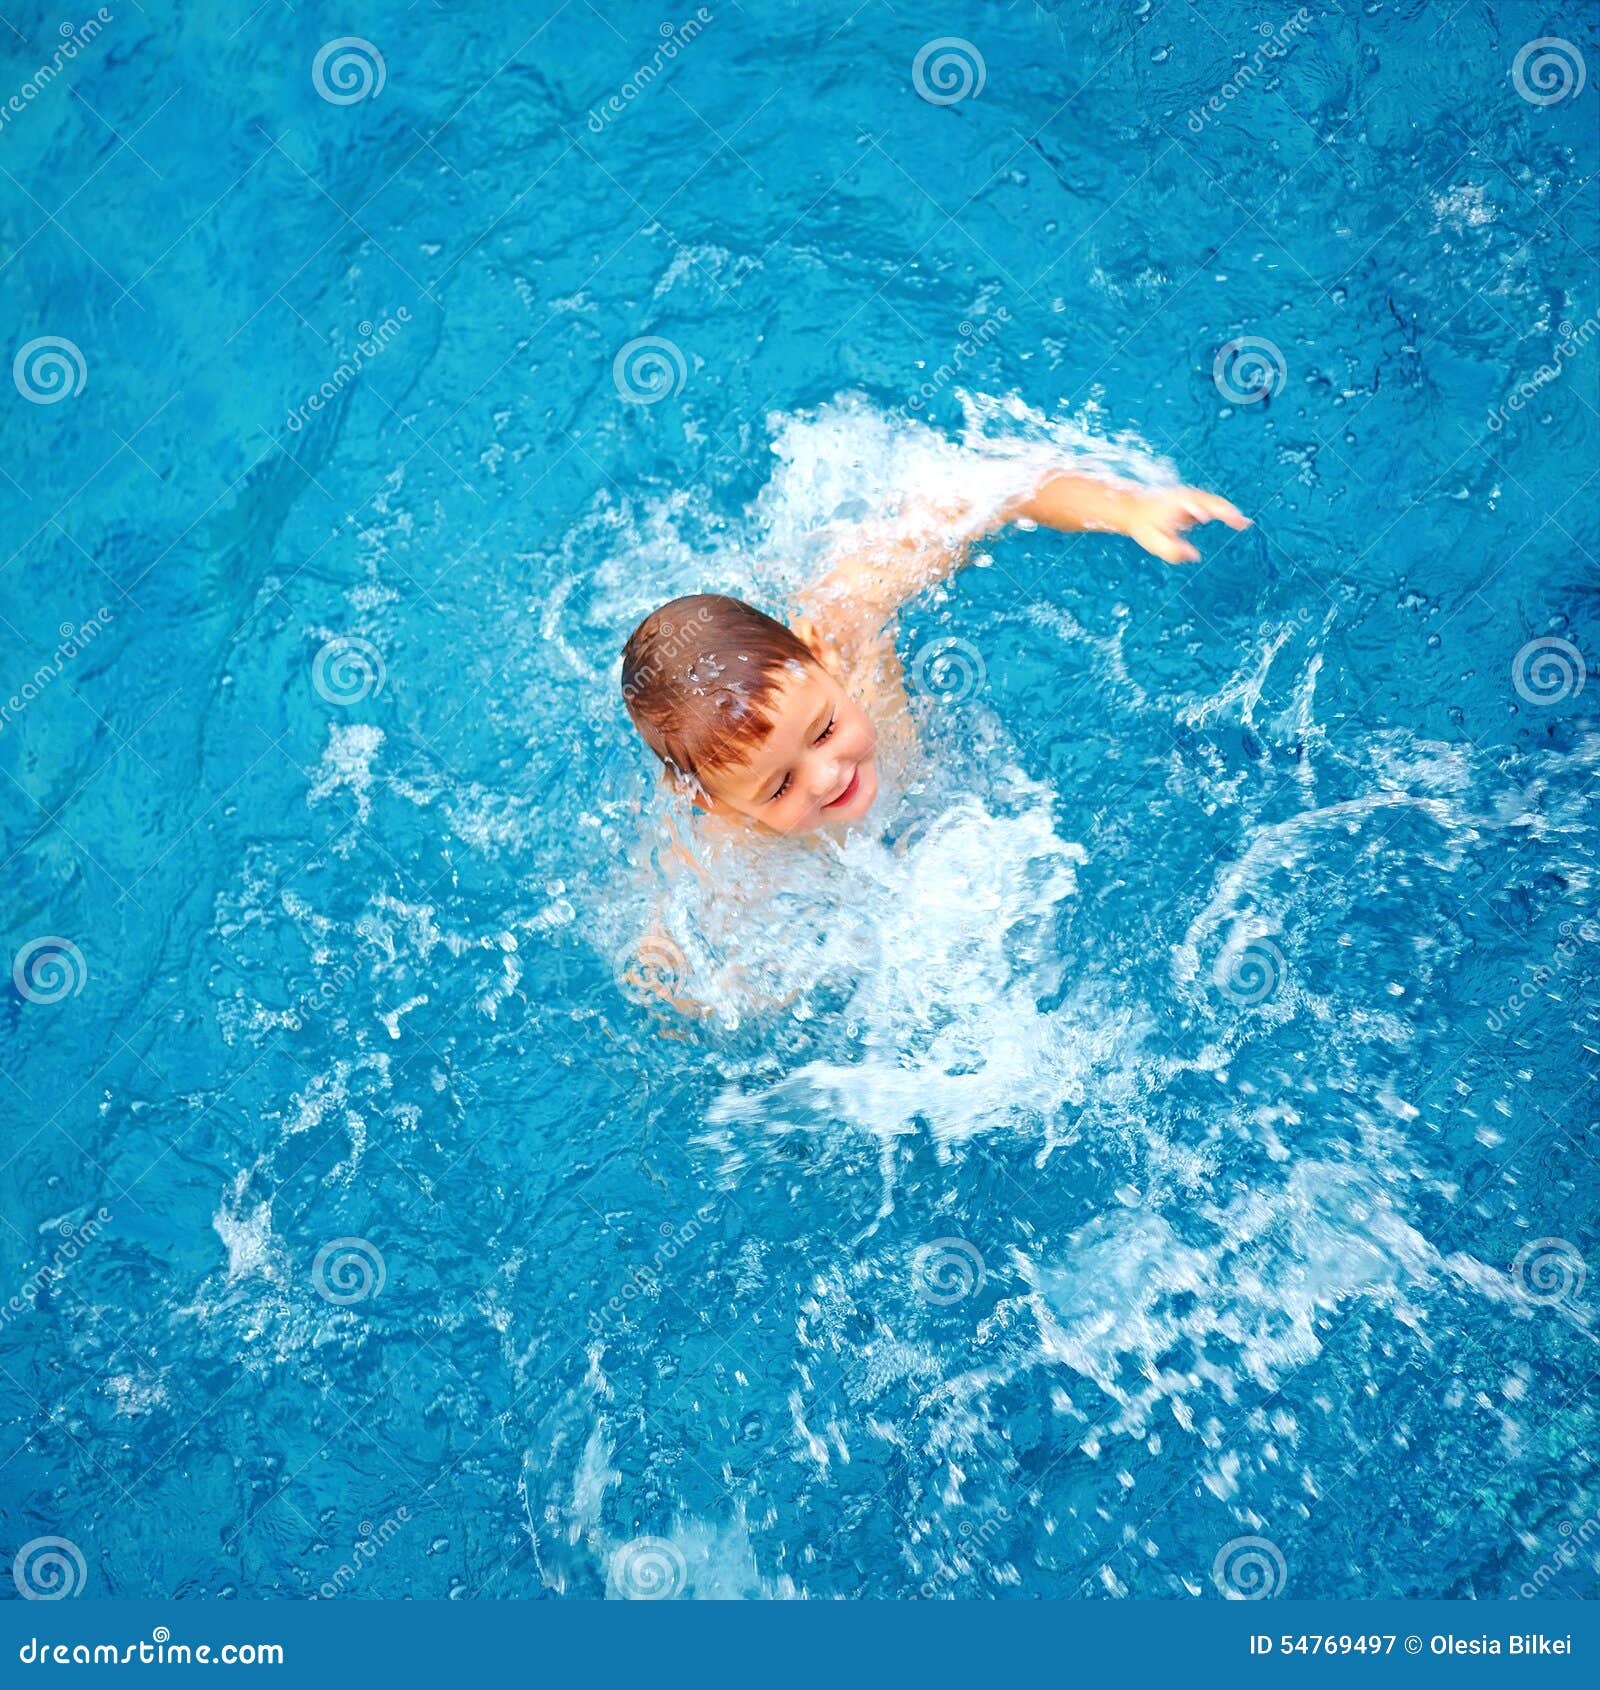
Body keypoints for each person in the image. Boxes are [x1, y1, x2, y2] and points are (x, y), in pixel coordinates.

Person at [619, 471, 1249, 845]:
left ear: (818, 656)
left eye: (826, 728)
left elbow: (989, 495)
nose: (827, 776)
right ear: (716, 803)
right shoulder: (724, 836)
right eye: (779, 786)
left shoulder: (849, 624)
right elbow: (666, 932)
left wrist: (1128, 510)